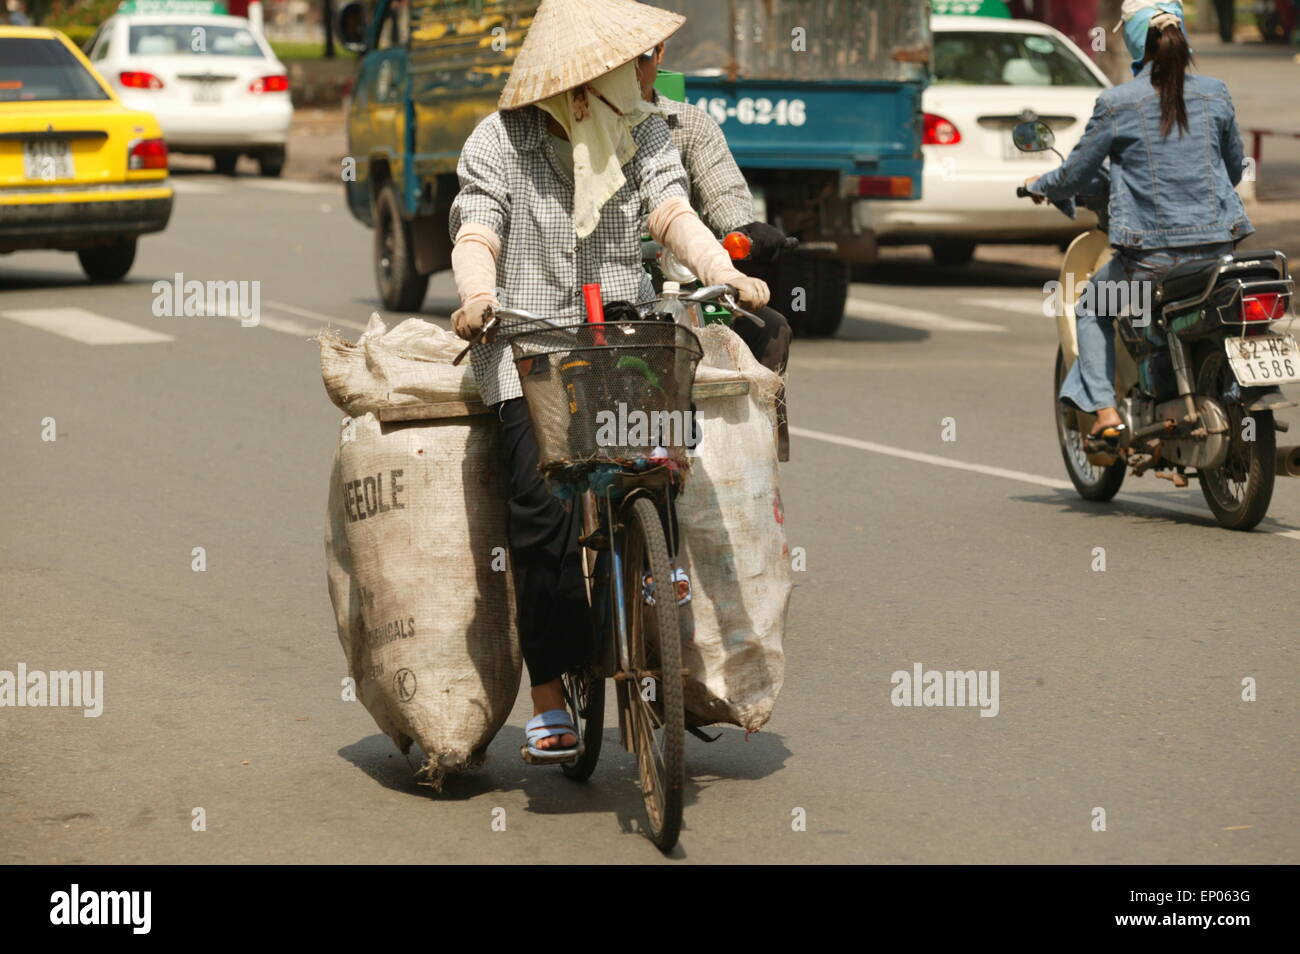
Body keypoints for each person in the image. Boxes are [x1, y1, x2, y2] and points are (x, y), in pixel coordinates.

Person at [447, 0, 770, 760]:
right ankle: (552, 694)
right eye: (639, 61)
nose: (650, 72)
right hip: (528, 338)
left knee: (660, 449)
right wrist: (475, 295)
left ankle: (658, 567)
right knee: (540, 512)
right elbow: (476, 225)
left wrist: (720, 269)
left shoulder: (643, 129)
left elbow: (671, 211)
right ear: (587, 81)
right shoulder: (502, 139)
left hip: (622, 327)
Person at [1024, 0, 1252, 445]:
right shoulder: (1216, 91)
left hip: (1151, 264)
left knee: (1091, 307)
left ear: (1131, 39)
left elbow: (1075, 175)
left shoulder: (1116, 103)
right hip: (1219, 255)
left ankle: (1106, 413)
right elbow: (1234, 169)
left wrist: (1041, 184)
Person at [633, 41, 793, 460]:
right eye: (621, 61)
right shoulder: (578, 127)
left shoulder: (689, 125)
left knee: (770, 329)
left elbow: (721, 189)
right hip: (603, 289)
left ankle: (754, 461)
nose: (634, 69)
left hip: (681, 286)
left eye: (644, 57)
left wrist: (743, 227)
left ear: (661, 55)